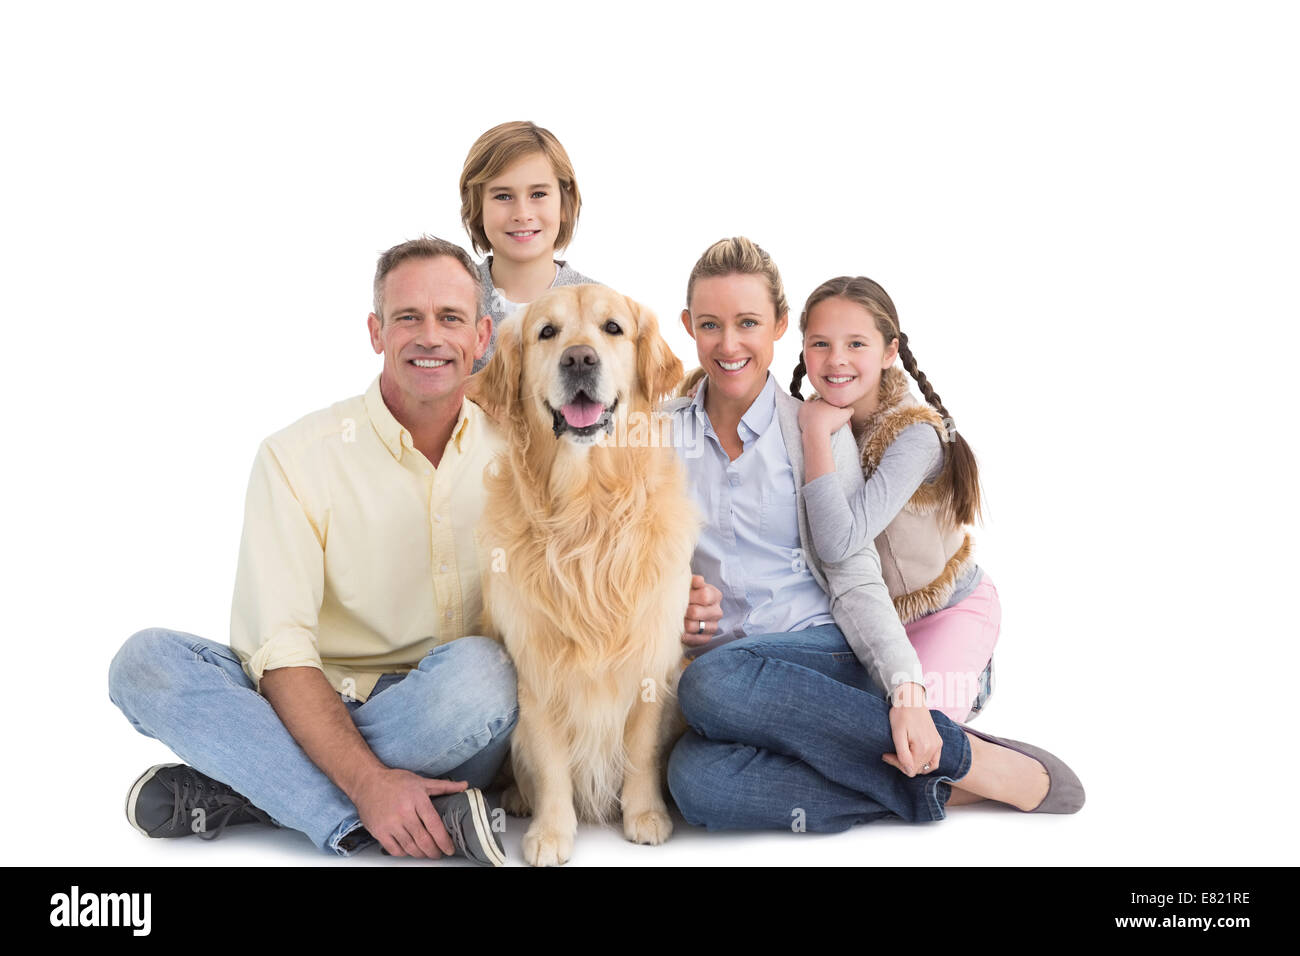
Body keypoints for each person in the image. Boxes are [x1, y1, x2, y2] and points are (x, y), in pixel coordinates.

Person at [107, 237, 519, 864]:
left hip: (444, 717)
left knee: (487, 675)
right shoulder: (297, 455)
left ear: (482, 335)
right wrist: (367, 781)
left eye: (451, 318)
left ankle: (256, 785)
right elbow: (280, 652)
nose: (429, 336)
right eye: (408, 317)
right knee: (144, 663)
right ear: (376, 332)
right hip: (309, 697)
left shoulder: (520, 456)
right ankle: (369, 815)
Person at [663, 237, 1083, 833]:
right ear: (688, 326)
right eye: (710, 325)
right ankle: (936, 787)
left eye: (748, 323)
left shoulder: (816, 430)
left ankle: (967, 757)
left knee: (708, 685)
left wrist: (908, 689)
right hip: (738, 674)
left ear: (780, 326)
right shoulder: (660, 433)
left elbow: (854, 568)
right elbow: (633, 550)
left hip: (820, 655)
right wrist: (670, 598)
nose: (729, 344)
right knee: (692, 781)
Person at [792, 276, 997, 722]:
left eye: (856, 344)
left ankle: (972, 679)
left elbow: (838, 542)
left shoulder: (914, 436)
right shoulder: (812, 415)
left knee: (921, 742)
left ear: (889, 352)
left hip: (945, 611)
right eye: (820, 343)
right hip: (871, 623)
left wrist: (815, 435)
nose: (836, 360)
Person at [459, 120, 597, 373]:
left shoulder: (602, 307)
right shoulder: (452, 300)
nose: (522, 214)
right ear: (477, 208)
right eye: (503, 196)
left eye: (538, 195)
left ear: (564, 203)